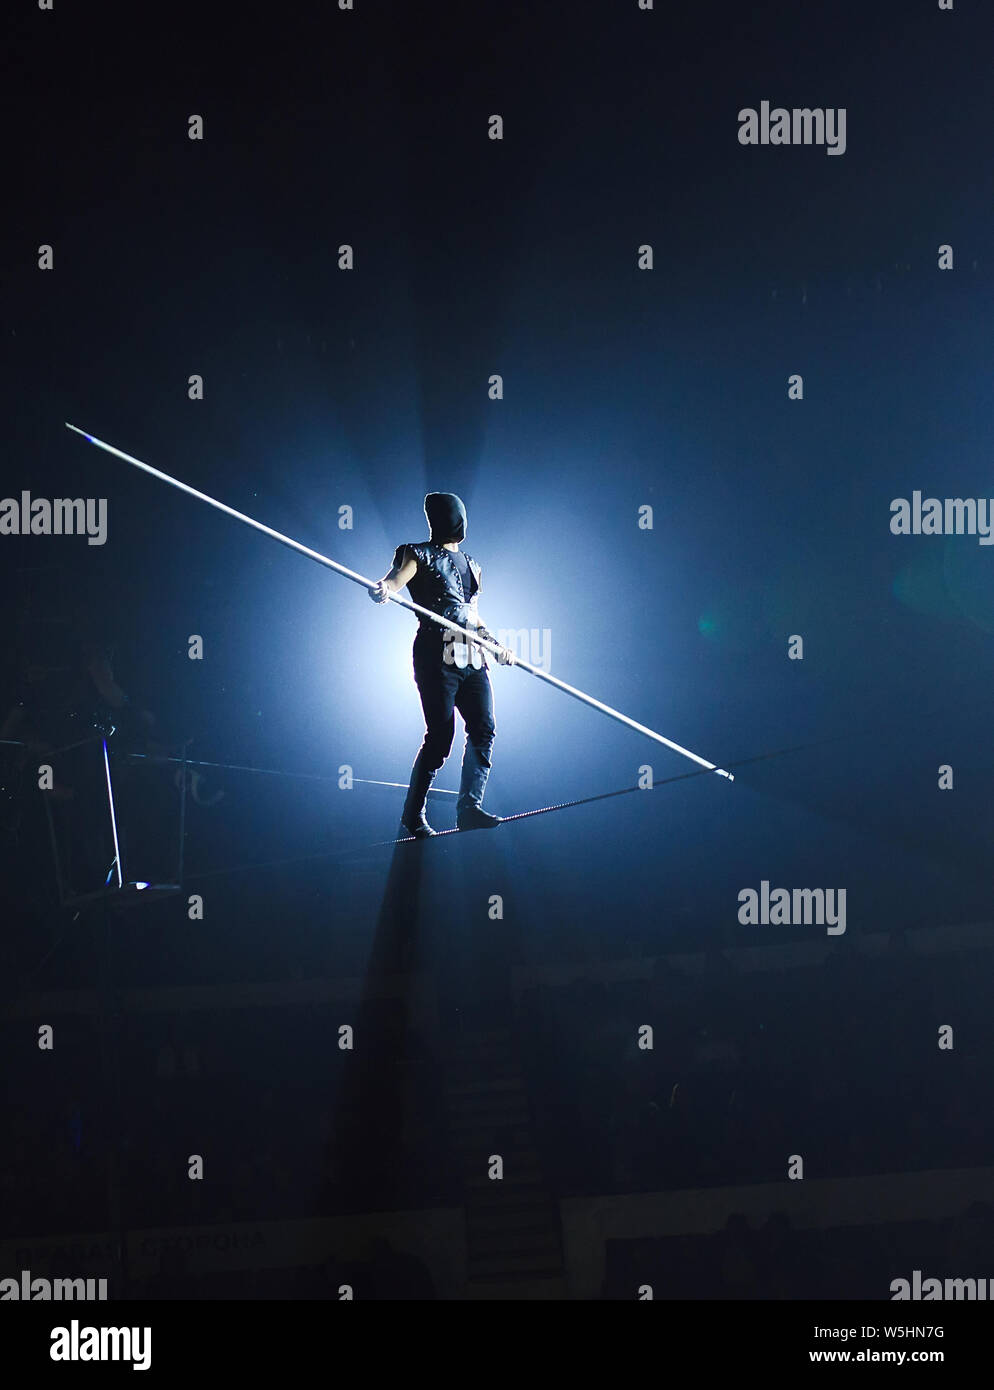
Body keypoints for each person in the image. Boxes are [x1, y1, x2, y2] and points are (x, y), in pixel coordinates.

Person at [369, 492, 514, 837]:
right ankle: (412, 814)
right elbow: (395, 579)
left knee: (484, 728)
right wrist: (385, 589)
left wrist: (495, 646)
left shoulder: (474, 565)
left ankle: (469, 808)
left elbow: (472, 617)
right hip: (436, 655)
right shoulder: (416, 553)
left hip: (471, 656)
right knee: (441, 737)